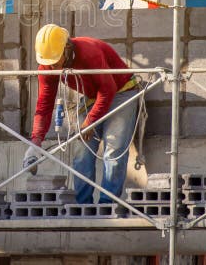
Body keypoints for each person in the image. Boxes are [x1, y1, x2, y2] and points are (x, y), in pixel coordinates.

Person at [22, 23, 140, 204]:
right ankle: (83, 205)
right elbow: (44, 105)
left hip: (122, 91)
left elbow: (108, 89)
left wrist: (90, 121)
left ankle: (107, 206)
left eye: (55, 60)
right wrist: (36, 142)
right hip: (94, 98)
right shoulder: (47, 66)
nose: (52, 66)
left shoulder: (89, 53)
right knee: (81, 151)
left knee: (113, 151)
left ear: (67, 48)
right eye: (48, 62)